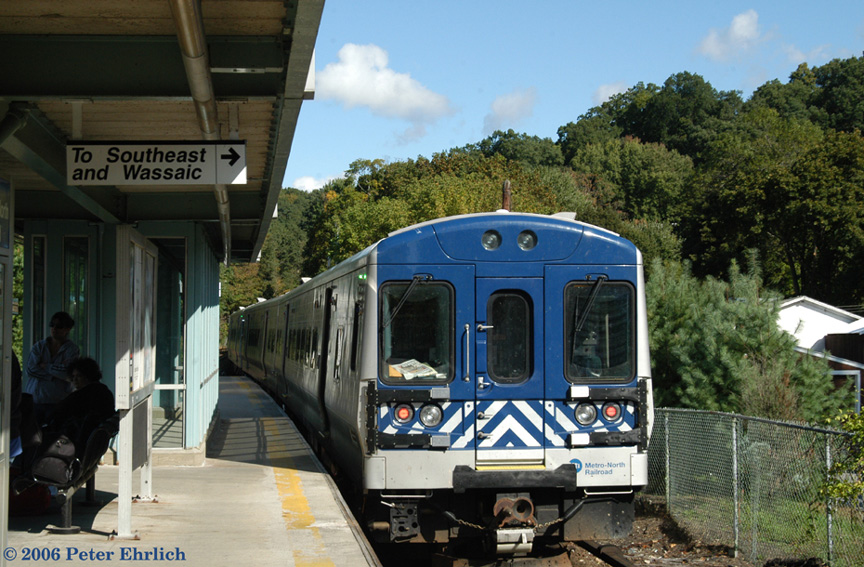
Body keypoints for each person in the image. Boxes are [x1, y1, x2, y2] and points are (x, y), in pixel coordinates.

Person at [43, 356, 115, 456]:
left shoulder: (81, 396)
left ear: (88, 375)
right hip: (90, 443)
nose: (75, 380)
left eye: (79, 376)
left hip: (73, 442)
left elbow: (57, 414)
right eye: (73, 377)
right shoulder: (105, 392)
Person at [24, 311, 80, 424]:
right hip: (35, 401)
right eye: (52, 325)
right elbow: (30, 370)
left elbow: (67, 373)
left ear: (67, 329)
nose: (54, 329)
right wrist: (53, 375)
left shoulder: (72, 350)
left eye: (59, 326)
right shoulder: (39, 346)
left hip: (58, 403)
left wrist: (46, 366)